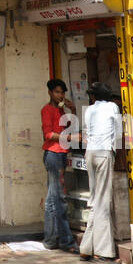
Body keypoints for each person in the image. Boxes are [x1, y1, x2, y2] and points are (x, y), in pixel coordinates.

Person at [79, 82, 122, 264]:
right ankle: (104, 252)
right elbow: (118, 134)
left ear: (94, 96)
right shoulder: (113, 107)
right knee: (103, 200)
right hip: (104, 153)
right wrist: (115, 151)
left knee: (96, 199)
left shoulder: (89, 110)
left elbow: (86, 133)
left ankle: (86, 248)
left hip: (91, 153)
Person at [41, 79, 76, 252]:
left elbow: (70, 128)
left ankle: (50, 239)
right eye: (57, 92)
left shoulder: (62, 110)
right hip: (53, 154)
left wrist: (73, 110)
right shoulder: (47, 110)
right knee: (59, 199)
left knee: (51, 199)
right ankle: (66, 241)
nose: (60, 95)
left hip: (60, 154)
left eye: (62, 93)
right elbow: (48, 134)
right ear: (50, 93)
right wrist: (70, 138)